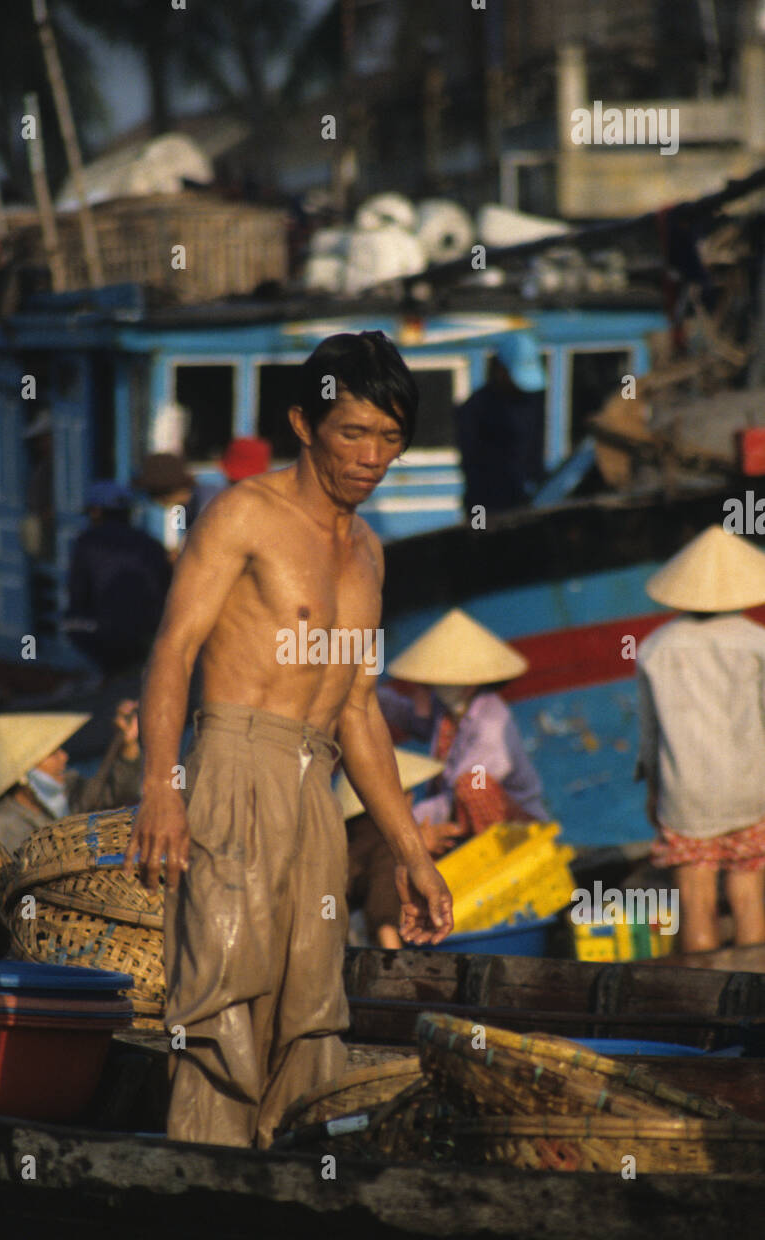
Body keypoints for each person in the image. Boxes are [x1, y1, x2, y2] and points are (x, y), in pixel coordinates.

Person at [125, 329, 453, 1150]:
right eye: (354, 433)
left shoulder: (369, 553)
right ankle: (203, 1185)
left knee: (312, 1005)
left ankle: (290, 1186)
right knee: (220, 993)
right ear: (305, 425)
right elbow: (174, 649)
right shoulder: (244, 514)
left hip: (317, 786)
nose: (372, 457)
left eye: (389, 438)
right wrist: (162, 787)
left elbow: (361, 710)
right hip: (234, 763)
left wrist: (411, 854)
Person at [636, 525, 765, 954]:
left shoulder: (656, 648)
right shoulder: (757, 642)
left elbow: (650, 737)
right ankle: (753, 1004)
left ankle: (705, 1011)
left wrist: (654, 793)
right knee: (748, 895)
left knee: (696, 901)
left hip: (685, 794)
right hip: (750, 790)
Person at [378, 608, 549, 843]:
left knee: (473, 786)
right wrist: (372, 696)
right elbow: (413, 720)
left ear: (467, 681)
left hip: (517, 823)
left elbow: (462, 789)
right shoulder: (448, 712)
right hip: (458, 814)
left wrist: (406, 823)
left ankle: (501, 854)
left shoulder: (492, 722)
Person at [0, 702, 142, 853]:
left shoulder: (70, 794)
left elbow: (117, 791)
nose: (64, 757)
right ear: (24, 773)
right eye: (53, 753)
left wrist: (127, 743)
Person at [338, 748, 445, 950]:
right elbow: (383, 915)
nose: (413, 797)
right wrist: (394, 965)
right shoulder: (386, 846)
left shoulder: (353, 837)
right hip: (359, 935)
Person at [64, 481, 172, 675]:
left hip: (108, 635)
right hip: (149, 633)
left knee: (73, 621)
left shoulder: (87, 543)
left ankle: (107, 675)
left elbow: (78, 593)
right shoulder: (151, 543)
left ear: (96, 511)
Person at [455, 331, 546, 514]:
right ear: (501, 371)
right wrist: (478, 525)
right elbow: (473, 472)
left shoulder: (530, 403)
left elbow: (533, 461)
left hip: (524, 507)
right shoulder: (475, 409)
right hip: (484, 508)